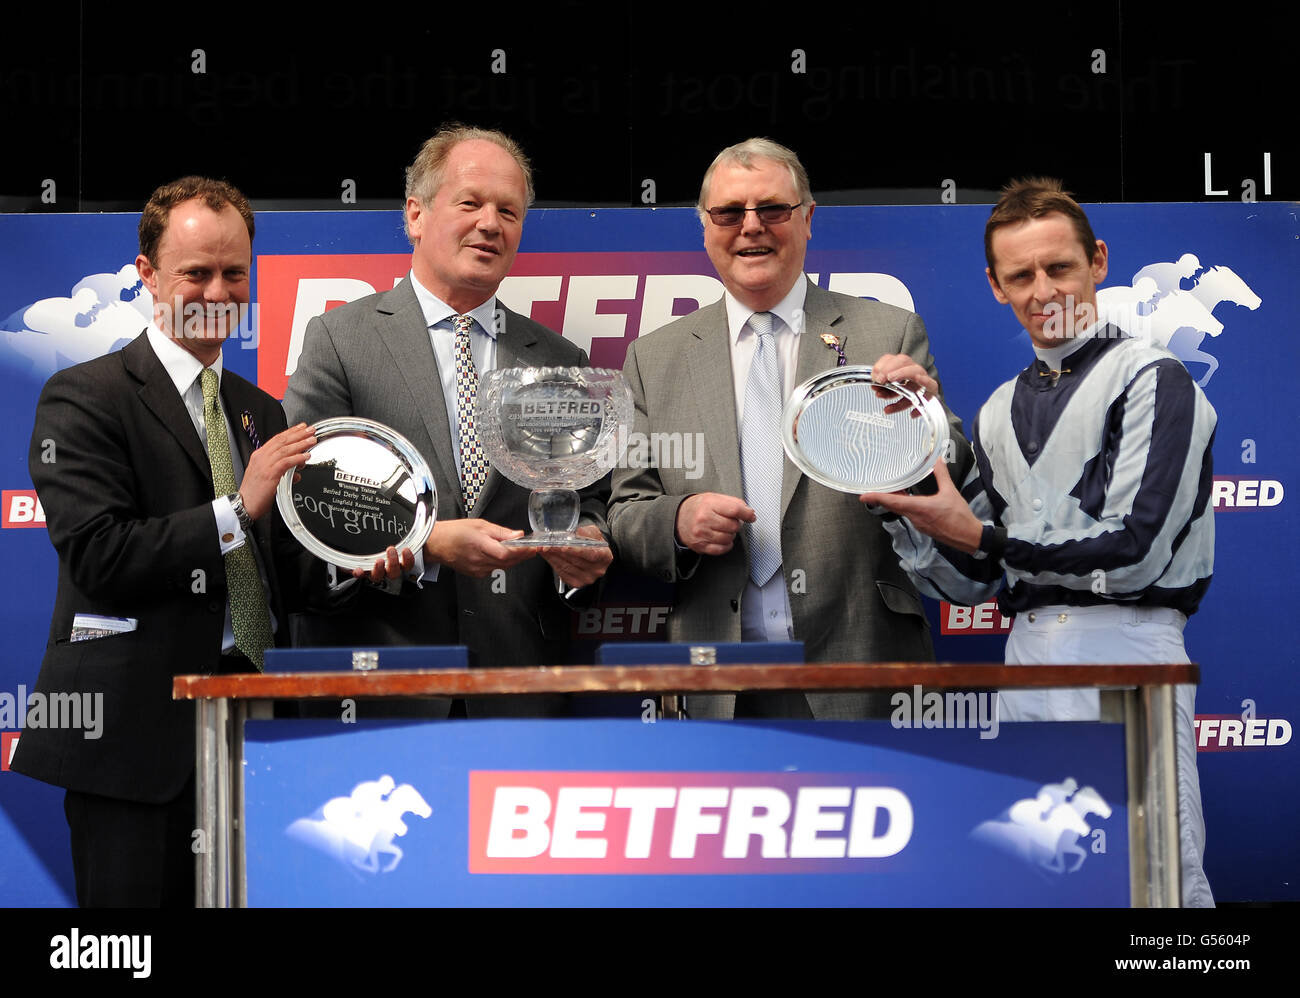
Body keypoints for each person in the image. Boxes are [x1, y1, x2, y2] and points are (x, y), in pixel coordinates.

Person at [10, 177, 386, 906]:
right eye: (196, 272)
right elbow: (101, 556)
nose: (218, 290)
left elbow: (288, 577)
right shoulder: (84, 396)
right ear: (148, 274)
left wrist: (364, 563)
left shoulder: (257, 409)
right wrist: (236, 509)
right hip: (131, 749)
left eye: (234, 272)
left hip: (251, 738)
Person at [862, 177, 1215, 906]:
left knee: (1156, 885)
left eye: (1059, 266)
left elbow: (1134, 550)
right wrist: (903, 487)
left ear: (1099, 262)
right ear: (995, 287)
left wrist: (982, 534)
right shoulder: (994, 410)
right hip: (1024, 654)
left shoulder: (1156, 378)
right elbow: (973, 582)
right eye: (1021, 275)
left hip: (1128, 649)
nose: (1043, 288)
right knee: (1045, 886)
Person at [607, 138, 968, 719]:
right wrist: (675, 520)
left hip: (860, 660)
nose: (751, 228)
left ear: (807, 219)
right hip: (714, 677)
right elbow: (625, 512)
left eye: (772, 209)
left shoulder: (888, 332)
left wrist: (925, 431)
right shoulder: (656, 357)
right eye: (729, 213)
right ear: (705, 227)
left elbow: (949, 477)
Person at [283, 125, 611, 699]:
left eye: (509, 211)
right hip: (381, 679)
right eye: (471, 203)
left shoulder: (559, 360)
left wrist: (584, 541)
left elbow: (590, 499)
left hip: (518, 681)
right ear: (415, 215)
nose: (491, 223)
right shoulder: (339, 340)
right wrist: (426, 542)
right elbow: (307, 505)